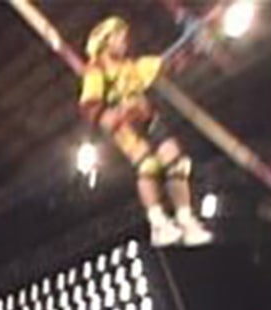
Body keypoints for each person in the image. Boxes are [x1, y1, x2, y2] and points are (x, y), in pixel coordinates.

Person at [79, 16, 213, 248]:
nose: (124, 42)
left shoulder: (133, 66)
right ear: (106, 41)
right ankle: (158, 222)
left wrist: (194, 46)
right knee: (148, 166)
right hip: (125, 126)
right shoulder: (98, 69)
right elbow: (90, 105)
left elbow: (167, 63)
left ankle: (185, 218)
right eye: (119, 38)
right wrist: (113, 115)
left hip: (148, 119)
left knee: (177, 162)